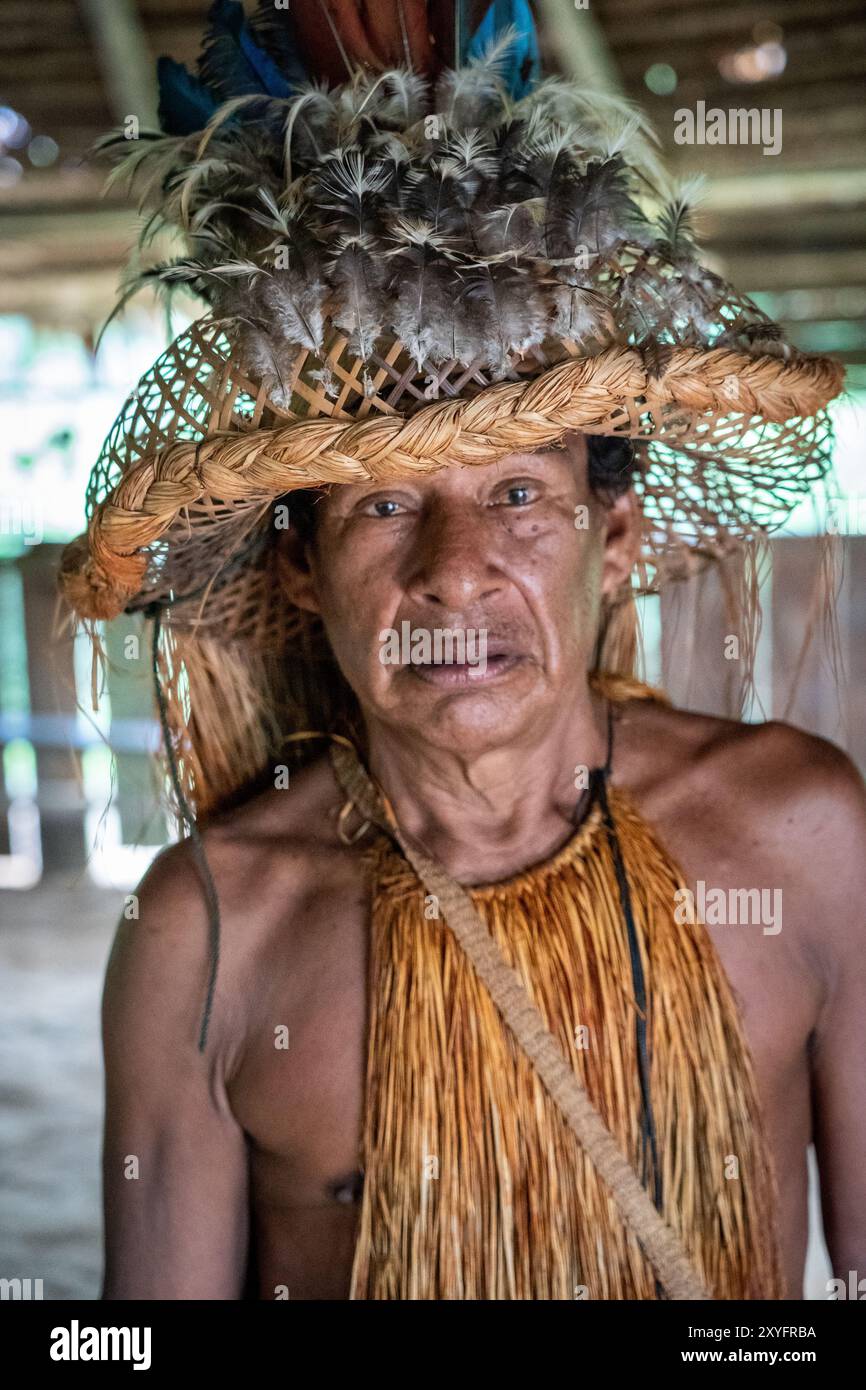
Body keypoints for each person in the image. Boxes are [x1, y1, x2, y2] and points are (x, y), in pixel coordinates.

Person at [59, 1, 861, 1299]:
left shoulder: (801, 835)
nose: (453, 571)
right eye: (382, 504)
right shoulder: (206, 933)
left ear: (611, 528)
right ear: (298, 570)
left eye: (517, 496)